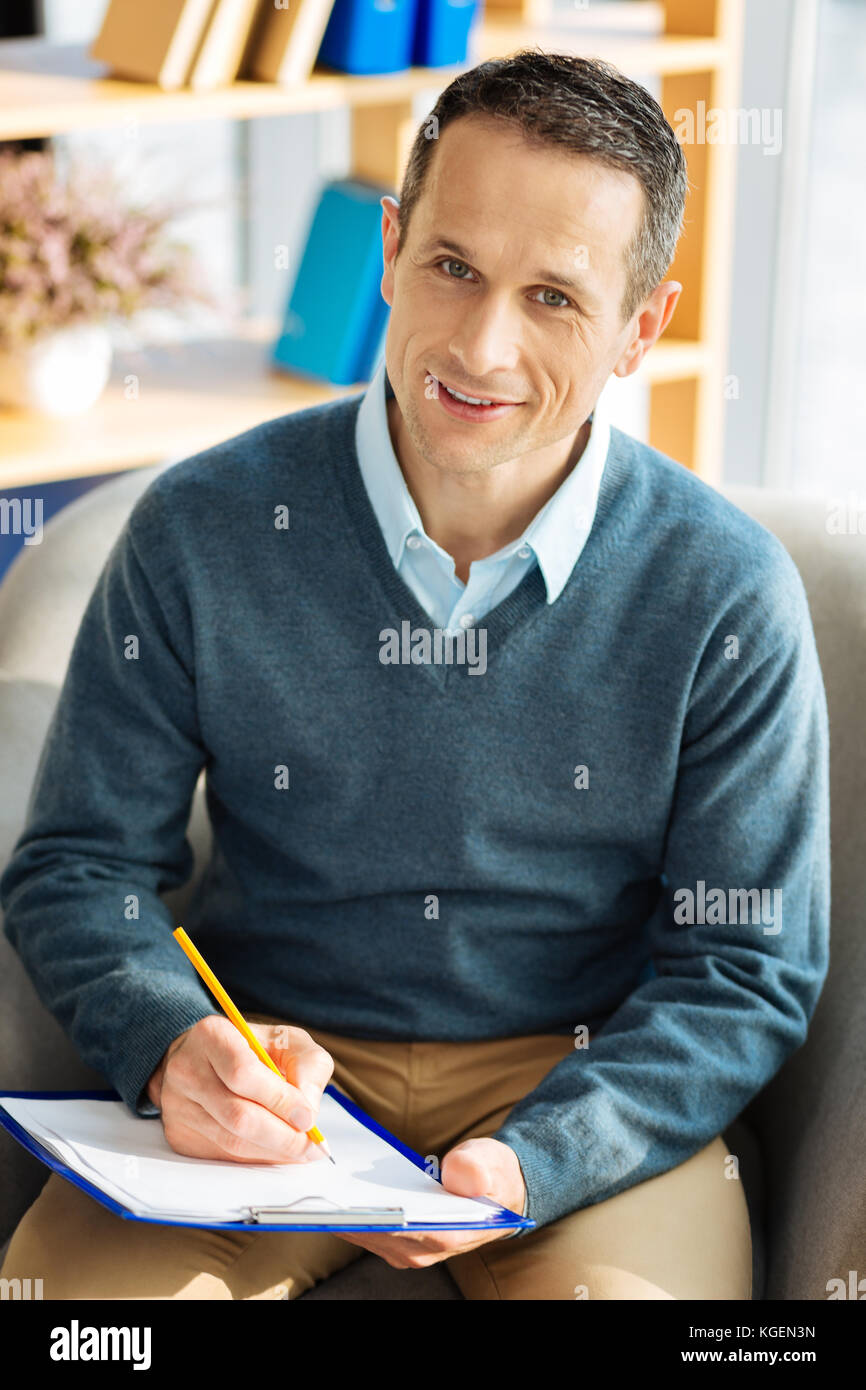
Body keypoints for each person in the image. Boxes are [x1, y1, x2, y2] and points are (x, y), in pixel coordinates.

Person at [0, 50, 829, 1300]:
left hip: (574, 1077)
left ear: (638, 329)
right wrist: (171, 1042)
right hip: (275, 1073)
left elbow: (743, 968)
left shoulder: (725, 594)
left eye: (553, 296)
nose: (481, 346)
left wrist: (544, 1155)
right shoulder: (200, 529)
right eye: (452, 267)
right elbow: (79, 864)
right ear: (389, 250)